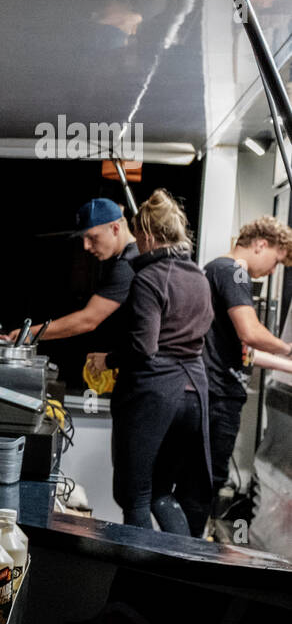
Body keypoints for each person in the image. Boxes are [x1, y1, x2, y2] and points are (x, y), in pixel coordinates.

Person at [86, 190, 213, 536]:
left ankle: (136, 581)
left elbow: (144, 347)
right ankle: (180, 574)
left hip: (154, 394)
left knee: (135, 495)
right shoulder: (199, 277)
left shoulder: (148, 278)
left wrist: (108, 359)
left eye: (139, 234)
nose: (137, 242)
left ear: (149, 235)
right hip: (194, 395)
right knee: (162, 493)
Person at [202, 216, 292, 520]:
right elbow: (251, 333)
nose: (272, 271)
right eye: (276, 261)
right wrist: (288, 347)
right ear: (261, 244)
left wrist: (288, 365)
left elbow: (247, 352)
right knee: (207, 486)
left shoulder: (218, 270)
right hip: (218, 395)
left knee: (205, 484)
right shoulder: (234, 273)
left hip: (216, 392)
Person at [7, 198, 138, 344]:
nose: (86, 246)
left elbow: (88, 320)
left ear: (115, 229)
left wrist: (29, 333)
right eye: (83, 238)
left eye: (92, 237)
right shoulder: (127, 257)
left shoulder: (128, 264)